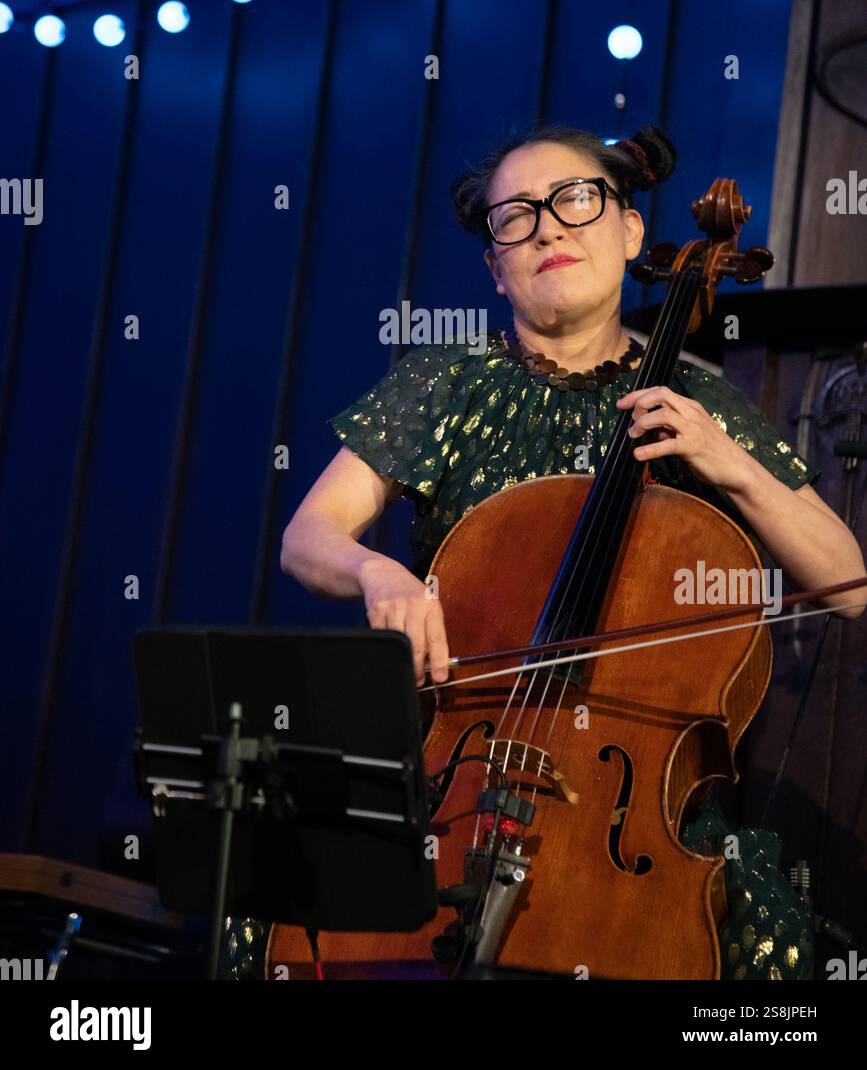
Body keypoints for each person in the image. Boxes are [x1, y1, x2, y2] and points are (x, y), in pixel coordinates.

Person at [222, 124, 865, 982]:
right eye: (515, 218)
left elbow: (849, 585)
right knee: (260, 906)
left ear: (631, 232)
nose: (548, 229)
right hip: (456, 776)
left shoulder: (698, 401)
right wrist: (378, 569)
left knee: (766, 940)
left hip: (634, 810)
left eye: (574, 200)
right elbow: (310, 537)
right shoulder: (448, 379)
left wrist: (728, 465)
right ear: (495, 266)